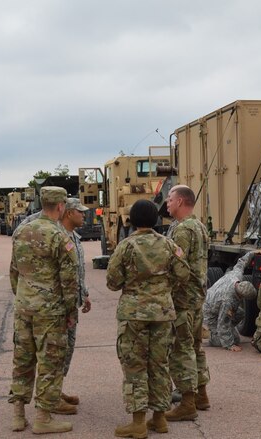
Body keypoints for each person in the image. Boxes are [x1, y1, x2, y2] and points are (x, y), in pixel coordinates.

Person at [106, 199, 188, 438]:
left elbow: (112, 282)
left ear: (131, 220)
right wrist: (163, 287)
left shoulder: (126, 246)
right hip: (163, 313)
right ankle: (160, 419)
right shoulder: (169, 245)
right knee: (160, 365)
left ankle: (138, 422)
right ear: (155, 220)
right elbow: (183, 274)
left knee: (135, 366)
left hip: (133, 314)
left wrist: (132, 284)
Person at [8, 186, 78, 434]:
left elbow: (14, 272)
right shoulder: (60, 237)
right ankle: (43, 418)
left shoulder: (22, 232)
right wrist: (72, 313)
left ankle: (18, 415)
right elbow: (69, 282)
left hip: (24, 307)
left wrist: (24, 298)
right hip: (50, 311)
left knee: (23, 360)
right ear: (61, 207)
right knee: (50, 362)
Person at [165, 185, 211, 421]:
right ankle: (201, 394)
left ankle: (187, 402)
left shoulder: (182, 230)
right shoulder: (200, 226)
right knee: (194, 347)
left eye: (170, 198)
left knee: (180, 349)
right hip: (196, 296)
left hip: (182, 298)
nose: (167, 202)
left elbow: (178, 269)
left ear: (181, 201)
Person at [56, 198, 92, 414]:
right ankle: (51, 396)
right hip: (61, 306)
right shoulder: (60, 237)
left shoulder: (74, 238)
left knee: (68, 349)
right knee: (59, 350)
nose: (84, 215)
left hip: (73, 301)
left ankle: (56, 389)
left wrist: (84, 294)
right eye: (80, 212)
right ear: (69, 213)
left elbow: (77, 272)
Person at [203, 251, 258, 352]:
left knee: (240, 313)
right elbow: (223, 322)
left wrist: (252, 253)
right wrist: (230, 345)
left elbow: (241, 263)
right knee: (234, 340)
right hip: (209, 313)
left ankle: (226, 331)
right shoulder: (228, 301)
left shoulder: (236, 276)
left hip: (212, 300)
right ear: (241, 295)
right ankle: (210, 333)